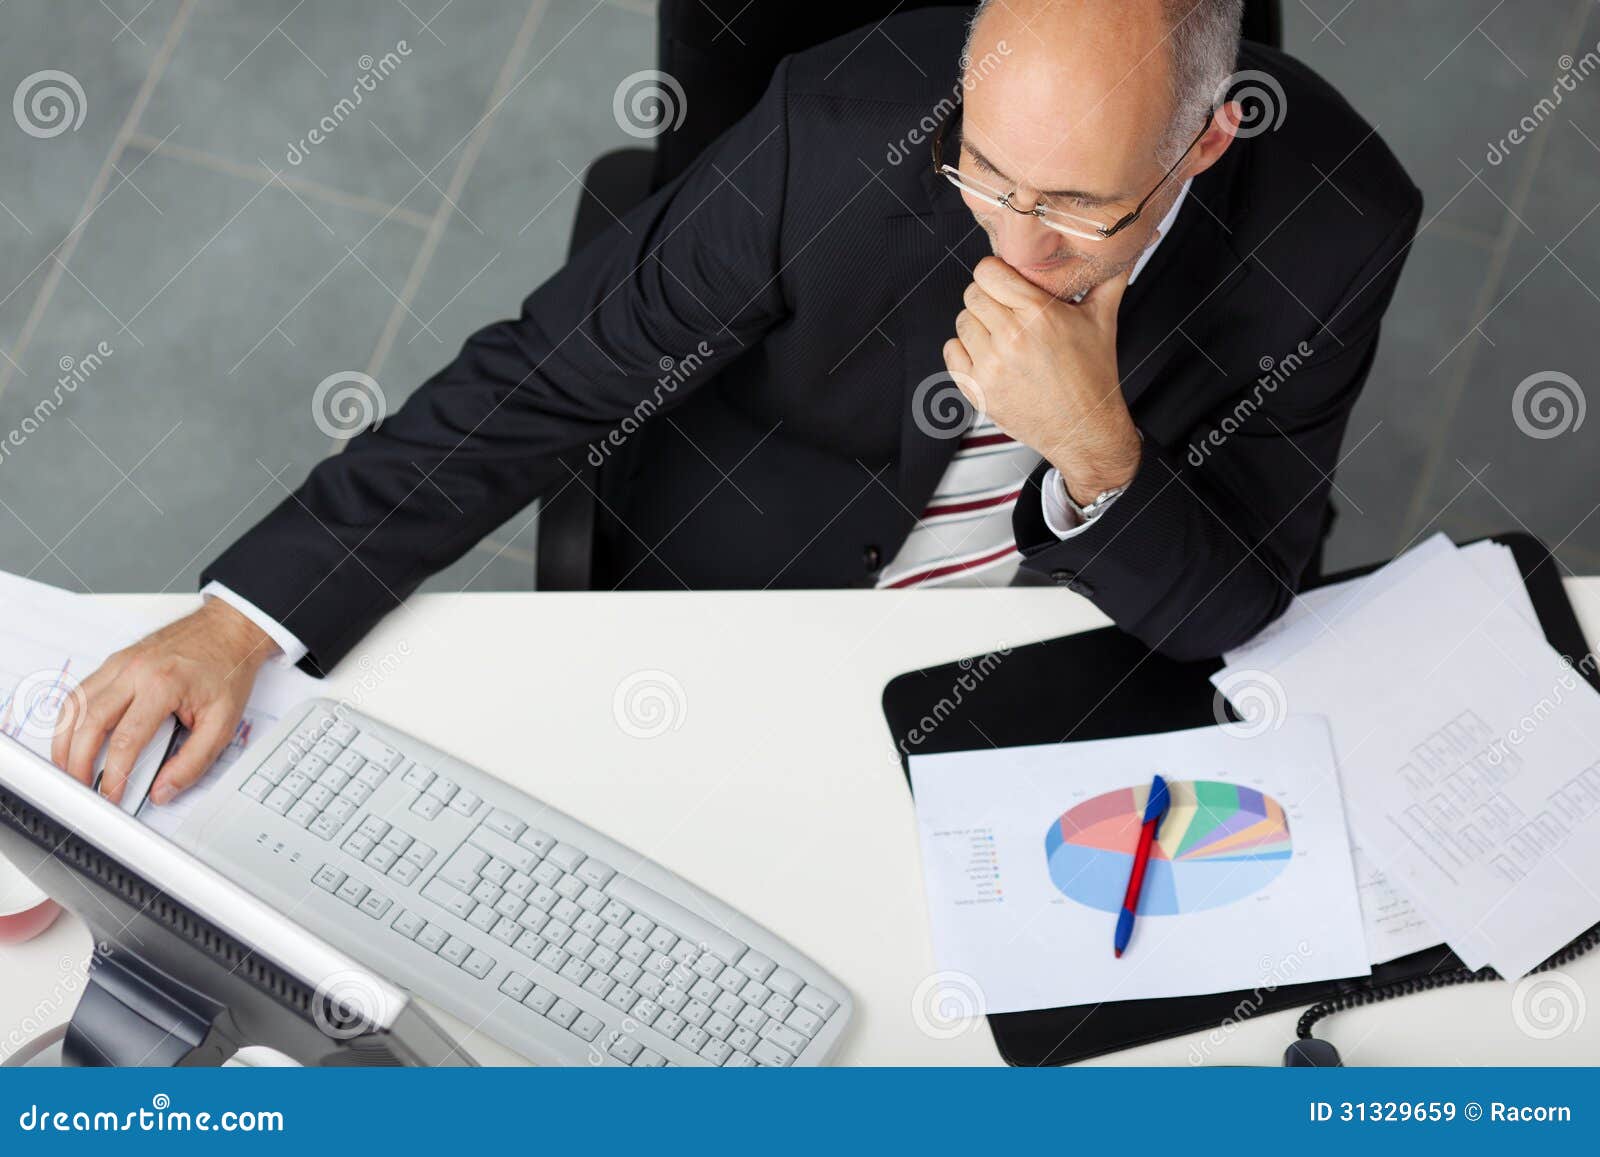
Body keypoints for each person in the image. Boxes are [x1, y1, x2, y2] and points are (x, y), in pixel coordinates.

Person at [52, 0, 1421, 804]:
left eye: (1074, 209)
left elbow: (1242, 597)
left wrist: (1096, 450)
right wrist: (240, 622)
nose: (1012, 248)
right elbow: (544, 375)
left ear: (1206, 138)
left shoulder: (1335, 225)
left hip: (1070, 664)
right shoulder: (838, 132)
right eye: (986, 174)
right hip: (750, 592)